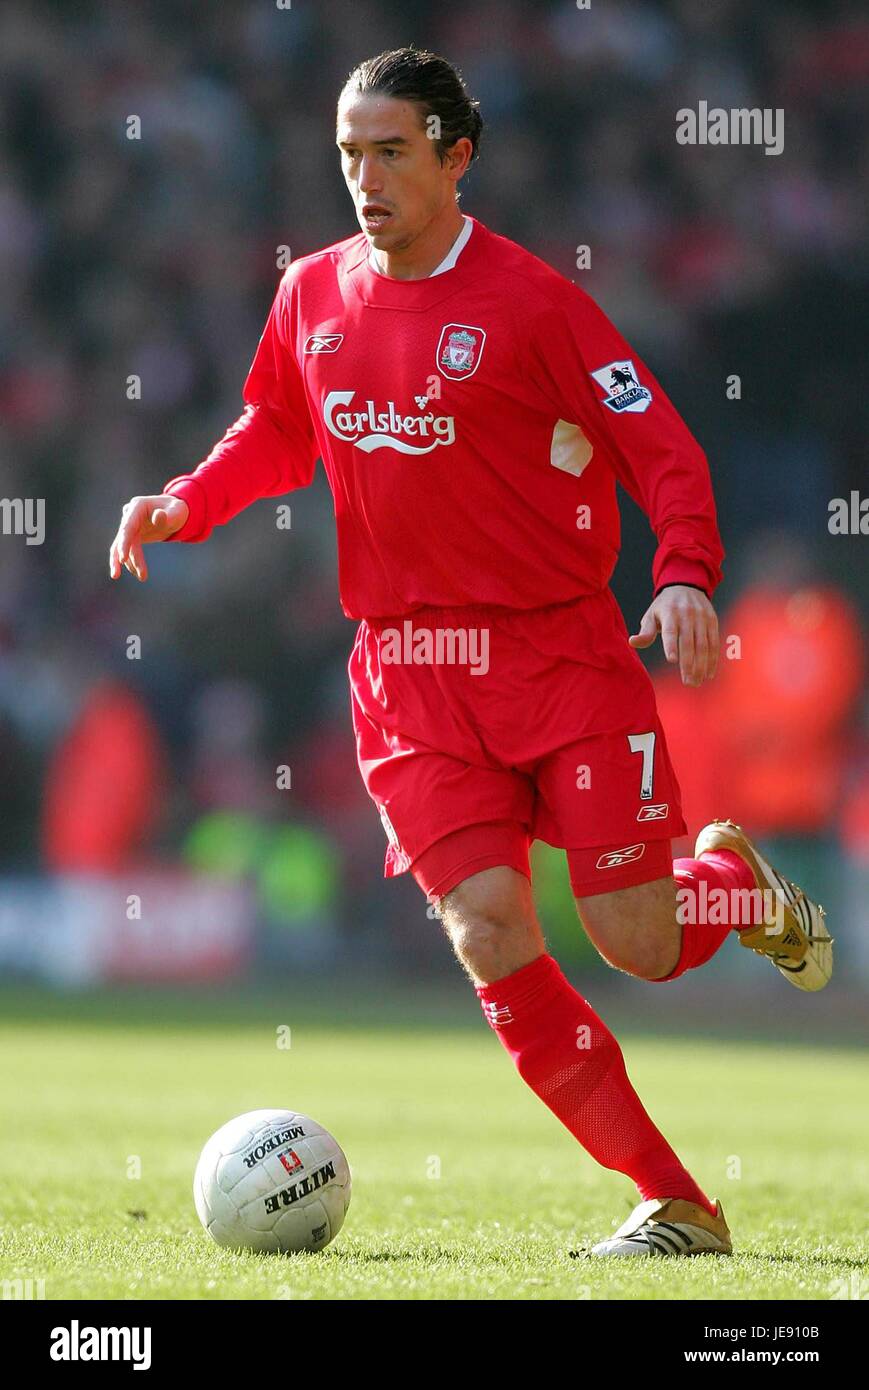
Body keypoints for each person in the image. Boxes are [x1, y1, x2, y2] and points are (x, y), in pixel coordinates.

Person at [109, 46, 832, 1258]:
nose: (364, 177)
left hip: (558, 658)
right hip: (405, 678)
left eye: (390, 150)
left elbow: (659, 446)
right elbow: (280, 429)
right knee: (490, 929)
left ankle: (743, 891)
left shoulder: (533, 302)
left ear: (456, 154)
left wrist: (685, 577)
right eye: (348, 154)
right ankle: (675, 1202)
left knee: (637, 943)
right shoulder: (314, 295)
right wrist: (187, 499)